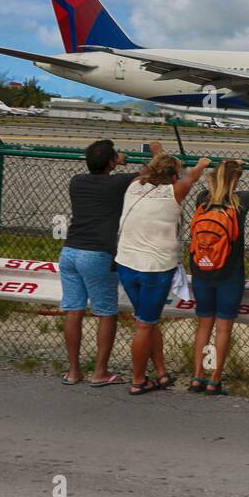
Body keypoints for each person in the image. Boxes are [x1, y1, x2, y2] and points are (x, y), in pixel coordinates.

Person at [59, 138, 165, 387]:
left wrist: (113, 161)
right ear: (111, 162)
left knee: (73, 311)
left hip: (70, 251)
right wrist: (156, 153)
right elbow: (151, 172)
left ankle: (73, 371)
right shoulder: (118, 183)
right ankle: (100, 372)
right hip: (98, 254)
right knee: (106, 313)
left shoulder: (77, 181)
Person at [116, 151, 210, 395]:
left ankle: (160, 371)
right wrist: (202, 163)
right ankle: (137, 380)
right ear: (174, 175)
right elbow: (192, 176)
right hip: (155, 268)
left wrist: (158, 155)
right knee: (145, 325)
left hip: (126, 263)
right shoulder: (176, 191)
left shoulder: (134, 184)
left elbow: (158, 173)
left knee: (147, 320)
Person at [187, 158, 249, 395]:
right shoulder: (239, 200)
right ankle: (214, 378)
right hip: (230, 272)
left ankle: (197, 376)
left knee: (203, 325)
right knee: (223, 328)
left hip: (202, 269)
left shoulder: (202, 198)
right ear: (237, 178)